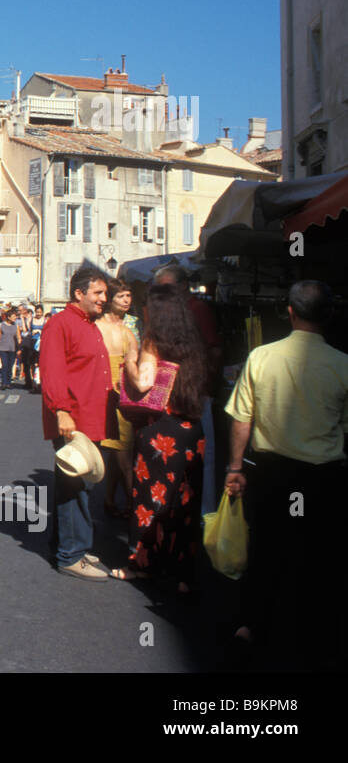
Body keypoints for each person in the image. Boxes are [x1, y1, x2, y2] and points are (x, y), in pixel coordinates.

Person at [224, 280, 348, 670]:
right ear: (328, 316)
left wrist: (235, 467)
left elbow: (242, 419)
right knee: (320, 555)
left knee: (266, 551)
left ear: (289, 312)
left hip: (273, 472)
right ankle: (315, 633)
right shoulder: (343, 364)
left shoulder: (261, 357)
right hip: (323, 476)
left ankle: (252, 625)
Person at [111, 285, 206, 591]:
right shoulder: (193, 343)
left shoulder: (154, 341)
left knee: (150, 500)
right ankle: (182, 573)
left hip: (161, 432)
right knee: (184, 502)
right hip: (192, 431)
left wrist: (129, 359)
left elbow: (143, 381)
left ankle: (143, 565)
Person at [39, 267, 112, 580]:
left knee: (76, 486)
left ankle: (71, 547)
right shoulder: (61, 324)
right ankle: (71, 554)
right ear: (78, 294)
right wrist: (62, 410)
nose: (103, 299)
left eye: (105, 294)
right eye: (98, 293)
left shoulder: (90, 324)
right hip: (73, 419)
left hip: (89, 416)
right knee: (74, 487)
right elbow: (53, 371)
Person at [153, 264, 221, 510]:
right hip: (171, 397)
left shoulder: (197, 310)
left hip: (195, 393)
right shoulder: (163, 313)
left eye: (166, 288)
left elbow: (213, 350)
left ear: (182, 286)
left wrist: (205, 384)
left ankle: (203, 512)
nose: (161, 293)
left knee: (204, 455)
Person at [97, 278, 140, 520]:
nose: (126, 300)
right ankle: (121, 502)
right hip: (102, 389)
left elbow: (138, 359)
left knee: (122, 450)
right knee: (115, 451)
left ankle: (125, 504)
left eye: (128, 296)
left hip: (124, 390)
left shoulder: (132, 325)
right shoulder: (97, 325)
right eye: (121, 296)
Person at [0, 307, 19, 389]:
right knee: (5, 365)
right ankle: (4, 383)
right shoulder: (1, 325)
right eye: (14, 316)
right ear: (8, 317)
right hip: (2, 348)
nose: (15, 318)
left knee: (10, 365)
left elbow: (18, 337)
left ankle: (8, 382)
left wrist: (19, 348)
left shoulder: (16, 326)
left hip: (12, 348)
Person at [16, 306, 38, 391]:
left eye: (22, 311)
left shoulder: (31, 319)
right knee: (25, 363)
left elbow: (27, 329)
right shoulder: (20, 319)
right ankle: (28, 381)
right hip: (24, 343)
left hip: (31, 343)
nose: (21, 312)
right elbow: (22, 330)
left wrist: (25, 320)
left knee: (31, 363)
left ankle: (33, 381)